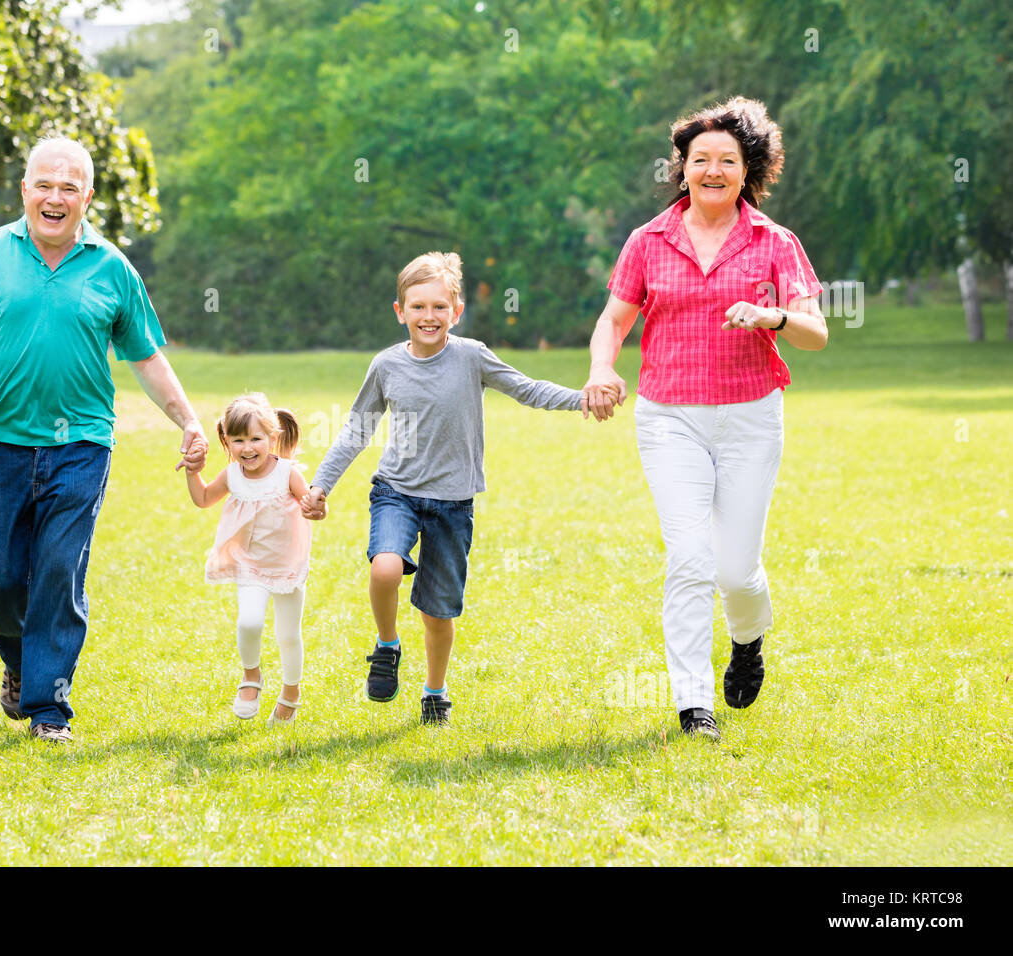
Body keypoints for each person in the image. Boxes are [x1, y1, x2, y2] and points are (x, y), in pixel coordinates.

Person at [0, 136, 208, 743]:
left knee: (58, 571)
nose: (55, 197)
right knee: (0, 581)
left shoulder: (112, 268)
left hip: (81, 446)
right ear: (24, 190)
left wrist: (186, 418)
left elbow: (147, 357)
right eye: (44, 185)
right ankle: (20, 663)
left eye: (69, 187)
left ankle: (49, 709)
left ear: (88, 197)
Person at [582, 97, 829, 742]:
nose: (714, 170)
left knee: (736, 572)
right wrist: (602, 370)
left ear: (749, 170)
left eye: (728, 160)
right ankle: (693, 707)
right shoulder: (648, 240)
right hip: (670, 418)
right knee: (689, 560)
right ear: (682, 168)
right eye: (701, 160)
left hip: (751, 418)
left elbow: (815, 333)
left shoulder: (775, 243)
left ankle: (747, 640)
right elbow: (614, 319)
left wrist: (771, 316)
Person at [301, 252, 591, 725]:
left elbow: (527, 389)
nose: (428, 316)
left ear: (455, 311)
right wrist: (320, 485)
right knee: (385, 569)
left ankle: (435, 690)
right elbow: (357, 430)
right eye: (417, 307)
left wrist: (582, 399)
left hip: (453, 504)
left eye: (439, 307)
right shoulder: (386, 366)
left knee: (438, 613)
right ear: (400, 312)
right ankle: (387, 646)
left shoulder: (472, 356)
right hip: (397, 490)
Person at [186, 394, 312, 726]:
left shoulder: (287, 473)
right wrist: (193, 471)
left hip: (286, 565)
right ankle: (251, 678)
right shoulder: (232, 475)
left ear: (273, 437)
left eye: (256, 438)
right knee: (249, 622)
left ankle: (290, 695)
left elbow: (311, 503)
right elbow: (202, 498)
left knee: (288, 634)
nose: (248, 447)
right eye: (238, 440)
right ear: (226, 440)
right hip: (249, 564)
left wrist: (319, 507)